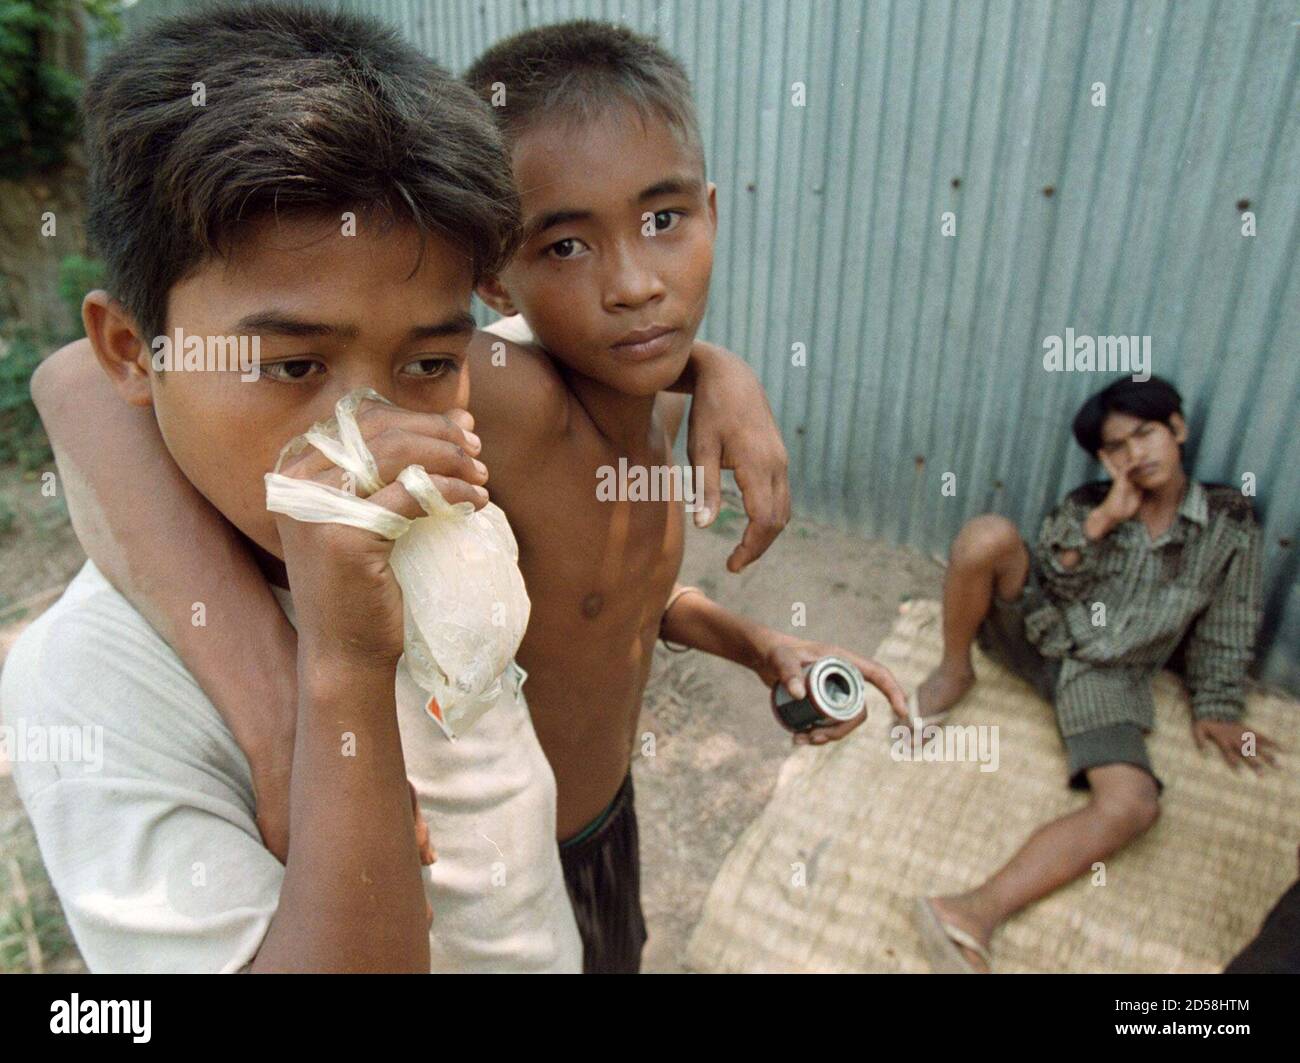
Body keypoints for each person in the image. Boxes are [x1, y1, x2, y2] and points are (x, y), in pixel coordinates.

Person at [31, 17, 905, 974]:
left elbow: (609, 599)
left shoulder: (501, 450)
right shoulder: (499, 409)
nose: (632, 287)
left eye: (662, 222)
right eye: (290, 364)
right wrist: (289, 694)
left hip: (578, 849)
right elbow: (76, 383)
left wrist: (718, 385)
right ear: (504, 280)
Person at [909, 374, 1276, 972]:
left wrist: (1216, 706)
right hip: (1040, 634)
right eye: (1118, 447)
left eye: (1147, 434)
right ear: (1104, 458)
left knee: (1132, 807)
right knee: (986, 536)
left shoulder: (1230, 522)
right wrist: (1104, 522)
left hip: (1107, 678)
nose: (1137, 455)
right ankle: (955, 671)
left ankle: (967, 912)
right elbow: (1055, 579)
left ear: (1178, 430)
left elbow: (1229, 620)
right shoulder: (1088, 505)